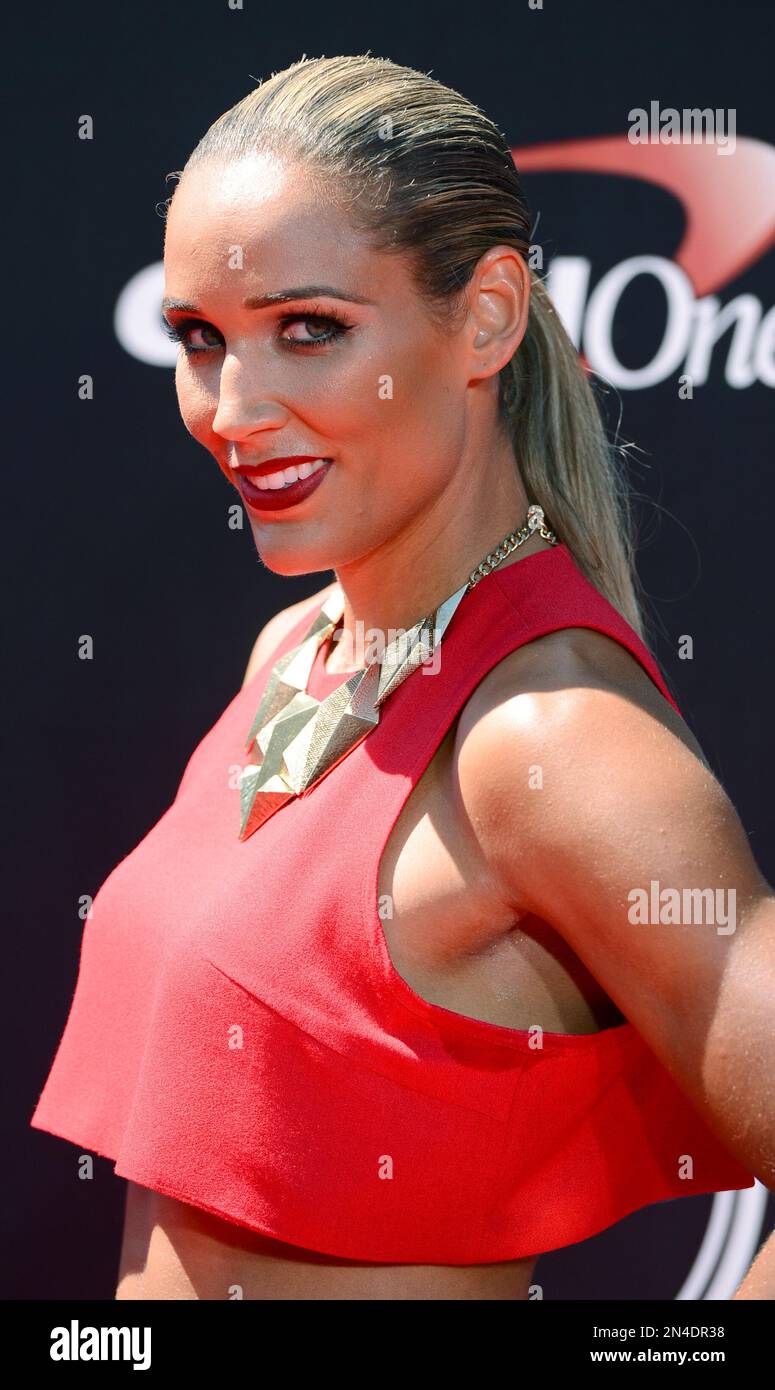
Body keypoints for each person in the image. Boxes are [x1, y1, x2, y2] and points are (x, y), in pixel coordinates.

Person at [31, 53, 774, 1302]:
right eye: (200, 339)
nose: (235, 406)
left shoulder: (550, 736)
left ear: (483, 318)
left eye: (308, 330)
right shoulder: (291, 649)